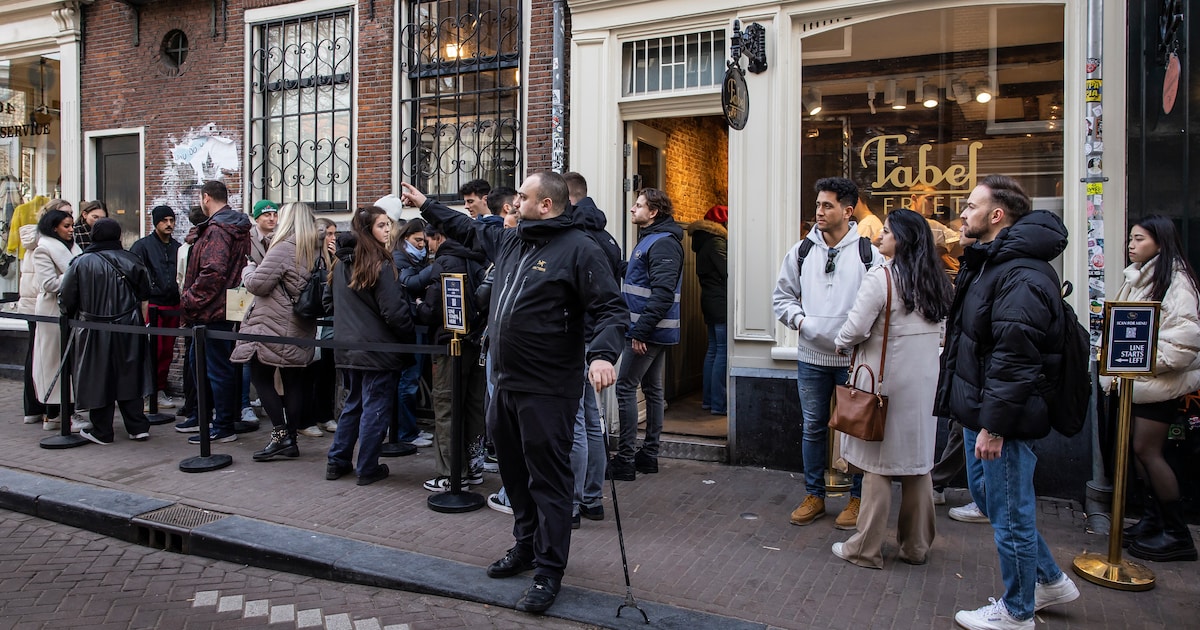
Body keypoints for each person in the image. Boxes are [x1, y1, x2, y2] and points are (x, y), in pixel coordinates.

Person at [403, 172, 627, 614]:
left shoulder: (581, 249)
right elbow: (468, 227)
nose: (511, 203)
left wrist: (602, 355)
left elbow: (611, 308)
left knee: (549, 480)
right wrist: (427, 204)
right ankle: (525, 546)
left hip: (548, 387)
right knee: (513, 474)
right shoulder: (511, 241)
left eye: (521, 197)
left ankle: (549, 569)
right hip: (504, 383)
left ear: (546, 205)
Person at [934, 175, 1079, 630]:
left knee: (1011, 513)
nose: (962, 212)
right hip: (981, 408)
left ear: (997, 215)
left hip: (1002, 417)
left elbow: (1016, 357)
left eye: (971, 206)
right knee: (991, 499)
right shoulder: (990, 262)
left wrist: (995, 426)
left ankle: (1017, 611)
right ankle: (1050, 580)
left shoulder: (1019, 273)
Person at [829, 209, 952, 569]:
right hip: (924, 385)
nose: (879, 236)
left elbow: (853, 329)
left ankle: (864, 549)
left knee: (877, 467)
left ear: (903, 238)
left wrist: (841, 343)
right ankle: (915, 546)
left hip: (884, 385)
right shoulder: (937, 280)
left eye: (886, 231)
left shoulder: (881, 277)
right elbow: (942, 334)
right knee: (917, 466)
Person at [773, 177, 883, 529]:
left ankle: (857, 499)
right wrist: (802, 322)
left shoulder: (868, 253)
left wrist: (857, 334)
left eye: (827, 205)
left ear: (848, 211)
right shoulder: (801, 251)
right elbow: (782, 298)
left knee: (856, 431)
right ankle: (814, 495)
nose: (819, 212)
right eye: (818, 205)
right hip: (811, 358)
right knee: (813, 428)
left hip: (854, 361)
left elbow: (882, 302)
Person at [1117, 215, 1200, 563]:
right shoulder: (1145, 277)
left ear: (1160, 244)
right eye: (1131, 239)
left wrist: (1139, 361)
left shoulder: (1175, 282)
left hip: (1159, 385)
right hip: (1143, 383)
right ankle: (1153, 520)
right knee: (1140, 453)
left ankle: (1177, 533)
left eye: (1139, 239)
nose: (1131, 245)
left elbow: (1184, 342)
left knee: (1147, 451)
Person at [326, 206, 416, 486]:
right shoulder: (379, 262)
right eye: (381, 225)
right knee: (375, 407)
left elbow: (329, 303)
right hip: (377, 349)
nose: (388, 229)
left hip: (348, 346)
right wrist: (408, 336)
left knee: (354, 403)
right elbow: (395, 312)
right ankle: (367, 466)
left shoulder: (340, 263)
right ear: (367, 230)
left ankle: (337, 461)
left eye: (388, 224)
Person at [231, 202, 321, 462]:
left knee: (261, 377)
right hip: (301, 324)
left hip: (272, 324)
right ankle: (290, 440)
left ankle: (280, 435)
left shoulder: (283, 248)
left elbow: (258, 284)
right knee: (293, 382)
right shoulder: (315, 250)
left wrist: (247, 269)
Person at [609, 187, 684, 481]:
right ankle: (648, 455)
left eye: (638, 205)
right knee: (653, 390)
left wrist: (640, 330)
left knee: (626, 387)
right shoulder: (651, 240)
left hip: (646, 331)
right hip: (652, 330)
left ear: (653, 212)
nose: (632, 209)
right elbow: (640, 275)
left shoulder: (663, 243)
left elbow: (663, 293)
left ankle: (626, 460)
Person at [58, 218, 154, 444]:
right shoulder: (132, 259)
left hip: (93, 326)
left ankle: (102, 430)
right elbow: (145, 291)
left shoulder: (81, 262)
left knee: (98, 376)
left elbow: (67, 298)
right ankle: (137, 425)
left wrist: (73, 315)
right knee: (130, 374)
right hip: (129, 325)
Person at [563, 171, 624, 525]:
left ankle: (572, 502)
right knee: (591, 419)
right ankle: (591, 499)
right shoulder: (608, 237)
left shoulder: (578, 238)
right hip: (598, 336)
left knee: (576, 421)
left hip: (581, 336)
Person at [415, 223, 489, 490]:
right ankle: (474, 466)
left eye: (429, 241)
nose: (428, 247)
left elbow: (435, 309)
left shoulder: (445, 261)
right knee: (473, 405)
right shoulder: (480, 259)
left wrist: (420, 306)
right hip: (477, 341)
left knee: (446, 405)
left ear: (439, 237)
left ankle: (451, 473)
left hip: (450, 343)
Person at [180, 180, 252, 444]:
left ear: (206, 198)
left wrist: (189, 299)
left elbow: (213, 271)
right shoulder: (234, 226)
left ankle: (222, 426)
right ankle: (218, 421)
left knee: (215, 370)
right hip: (223, 307)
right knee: (208, 367)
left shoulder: (218, 229)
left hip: (210, 311)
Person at [28, 201, 79, 431]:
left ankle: (67, 410)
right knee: (52, 361)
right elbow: (48, 283)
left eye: (72, 225)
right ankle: (53, 412)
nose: (71, 230)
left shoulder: (73, 247)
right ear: (54, 227)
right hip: (51, 311)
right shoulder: (43, 248)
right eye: (66, 225)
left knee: (70, 360)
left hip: (71, 311)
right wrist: (75, 277)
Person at [129, 205, 182, 410]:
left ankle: (159, 388)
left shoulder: (177, 247)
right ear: (156, 222)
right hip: (152, 304)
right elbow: (136, 274)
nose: (169, 224)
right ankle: (147, 392)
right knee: (153, 349)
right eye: (164, 220)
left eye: (171, 220)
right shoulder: (142, 246)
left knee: (167, 350)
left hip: (172, 304)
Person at [16, 197, 62, 428]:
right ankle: (47, 410)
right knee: (43, 357)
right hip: (43, 306)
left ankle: (33, 408)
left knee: (35, 356)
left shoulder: (35, 241)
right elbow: (48, 281)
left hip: (33, 305)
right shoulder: (47, 245)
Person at [391, 217, 434, 448]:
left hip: (418, 322)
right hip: (411, 324)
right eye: (418, 240)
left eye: (424, 241)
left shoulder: (415, 259)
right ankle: (405, 432)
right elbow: (411, 284)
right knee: (408, 380)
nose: (422, 245)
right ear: (405, 237)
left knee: (412, 378)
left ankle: (409, 428)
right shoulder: (400, 258)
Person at [688, 204, 728, 416]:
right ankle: (718, 403)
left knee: (713, 349)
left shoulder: (703, 241)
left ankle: (709, 400)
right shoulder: (717, 242)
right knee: (721, 350)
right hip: (720, 301)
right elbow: (727, 271)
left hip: (709, 300)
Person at [303, 217, 340, 436]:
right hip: (314, 322)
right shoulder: (310, 258)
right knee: (311, 372)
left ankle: (325, 415)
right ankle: (308, 418)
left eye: (335, 234)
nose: (333, 238)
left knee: (328, 371)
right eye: (329, 234)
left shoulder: (334, 258)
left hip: (331, 323)